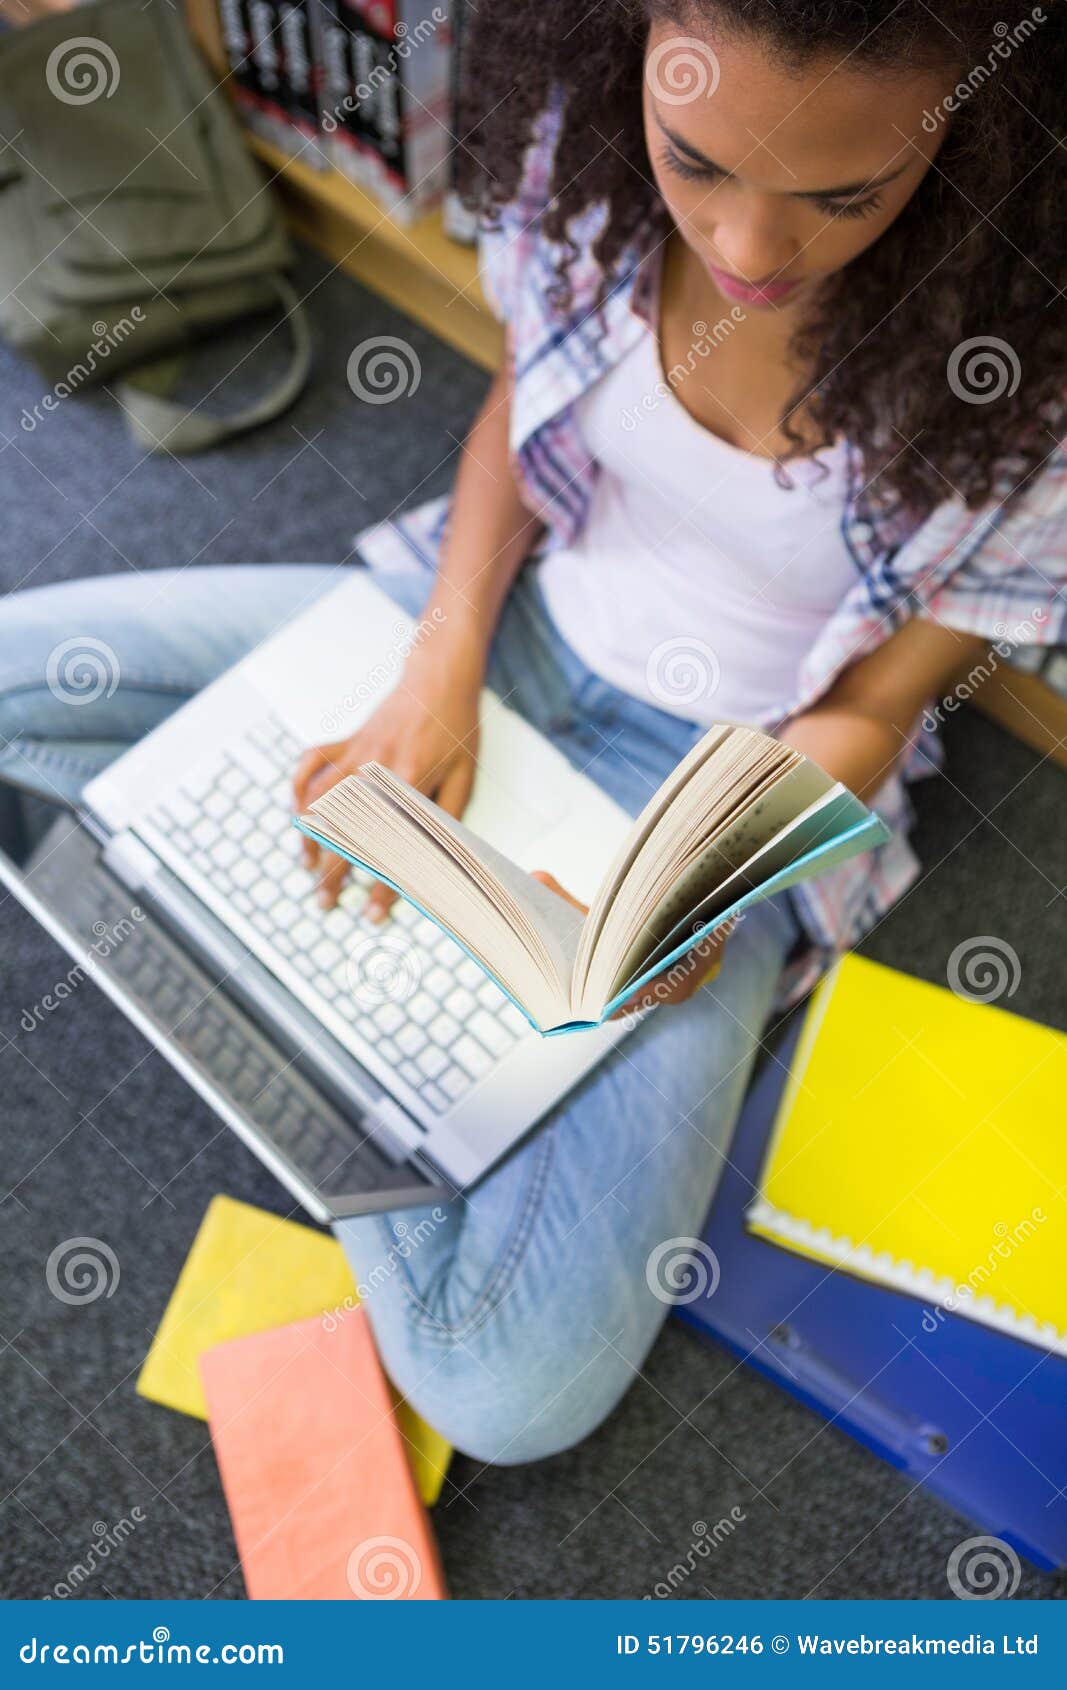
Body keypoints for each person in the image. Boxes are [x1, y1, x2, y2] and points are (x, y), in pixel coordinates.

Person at [1, 1, 1064, 1463]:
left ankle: (288, 966)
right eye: (695, 162)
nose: (748, 254)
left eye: (844, 195)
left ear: (974, 130)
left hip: (714, 789)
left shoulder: (1033, 383)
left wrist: (690, 893)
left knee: (507, 1391)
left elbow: (879, 702)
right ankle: (357, 980)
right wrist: (435, 670)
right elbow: (524, 403)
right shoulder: (581, 154)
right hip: (499, 627)